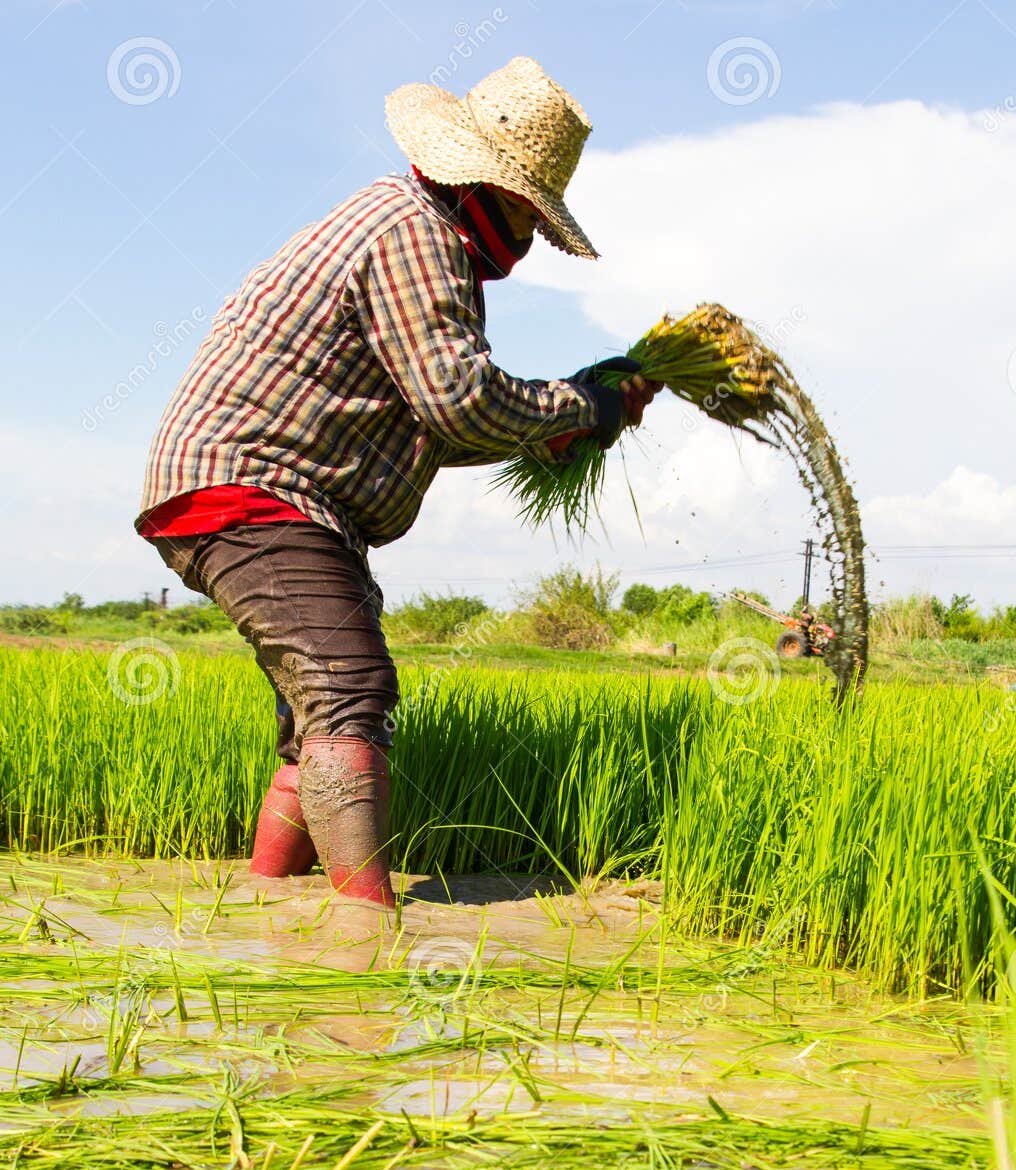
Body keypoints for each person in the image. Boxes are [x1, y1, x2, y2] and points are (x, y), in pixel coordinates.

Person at [135, 57, 658, 906]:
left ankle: (266, 913)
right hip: (258, 489)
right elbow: (458, 403)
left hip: (263, 492)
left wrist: (555, 426)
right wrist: (585, 407)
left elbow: (419, 423)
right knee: (351, 689)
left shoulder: (409, 225)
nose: (526, 241)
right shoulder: (416, 233)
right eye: (528, 215)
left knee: (317, 726)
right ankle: (362, 939)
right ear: (498, 190)